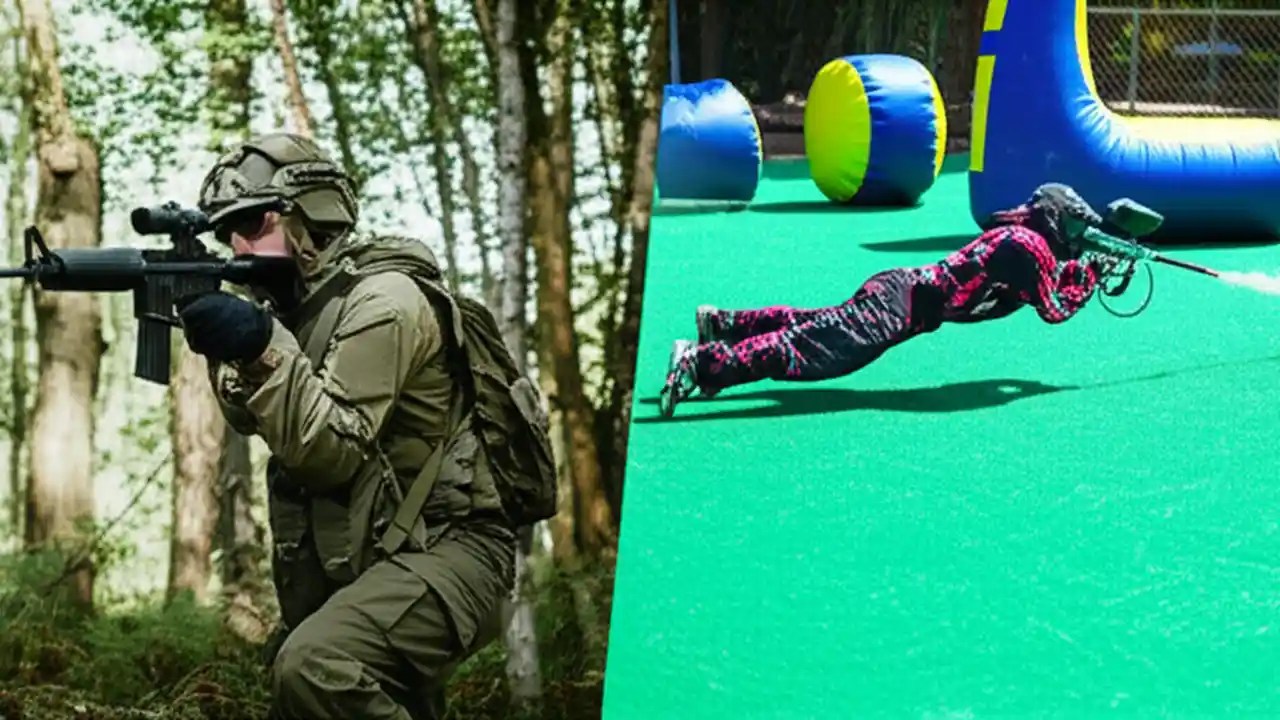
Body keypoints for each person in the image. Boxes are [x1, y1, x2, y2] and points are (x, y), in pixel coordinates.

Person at [174, 132, 556, 719]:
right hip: (385, 562)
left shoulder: (384, 302)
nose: (235, 243)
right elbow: (250, 418)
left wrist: (261, 348)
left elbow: (330, 450)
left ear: (310, 216)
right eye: (227, 230)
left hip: (456, 553)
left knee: (316, 667)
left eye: (253, 223)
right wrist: (228, 341)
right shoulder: (298, 310)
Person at [658, 183, 1126, 417]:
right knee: (815, 350)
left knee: (815, 325)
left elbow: (1043, 288)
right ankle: (700, 365)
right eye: (1072, 226)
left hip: (900, 294)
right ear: (1053, 220)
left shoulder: (1024, 244)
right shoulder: (1027, 249)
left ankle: (725, 324)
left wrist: (1091, 264)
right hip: (900, 304)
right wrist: (1093, 272)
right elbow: (1055, 308)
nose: (1075, 235)